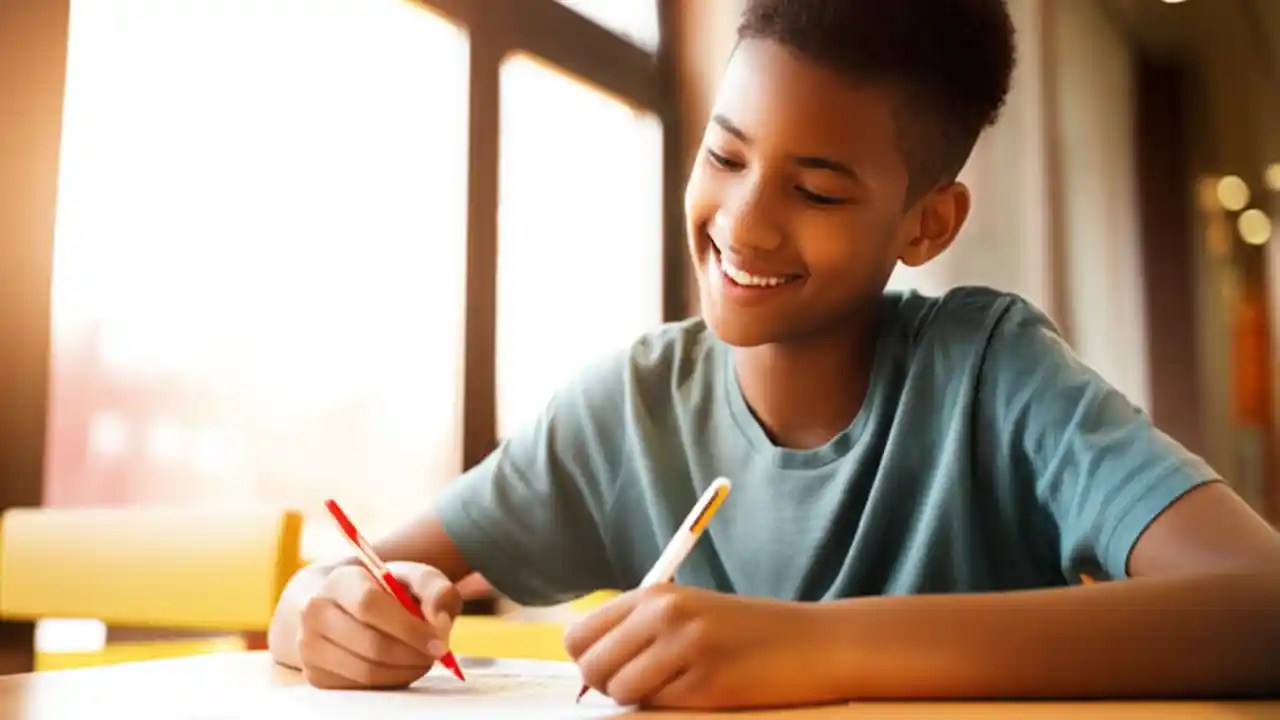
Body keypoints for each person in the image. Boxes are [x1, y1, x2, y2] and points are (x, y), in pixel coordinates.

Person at [268, 0, 1280, 708]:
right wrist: (325, 612)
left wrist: (812, 650)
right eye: (723, 154)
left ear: (924, 225)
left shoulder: (991, 374)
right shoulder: (627, 410)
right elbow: (357, 577)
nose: (742, 227)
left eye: (818, 191)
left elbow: (1261, 608)